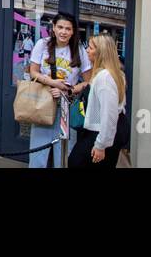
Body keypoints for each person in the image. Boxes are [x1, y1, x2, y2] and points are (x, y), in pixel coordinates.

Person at [25, 11, 92, 168]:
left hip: (66, 107)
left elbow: (89, 81)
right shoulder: (42, 44)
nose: (63, 32)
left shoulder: (80, 51)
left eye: (68, 28)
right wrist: (53, 83)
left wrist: (68, 90)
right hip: (42, 103)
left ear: (73, 31)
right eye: (60, 27)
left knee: (63, 156)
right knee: (37, 155)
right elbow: (33, 71)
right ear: (53, 27)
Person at [69, 34, 129, 168]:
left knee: (76, 161)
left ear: (100, 52)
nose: (87, 51)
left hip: (102, 131)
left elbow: (109, 114)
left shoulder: (105, 77)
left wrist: (101, 145)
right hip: (109, 129)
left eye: (90, 48)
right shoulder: (113, 73)